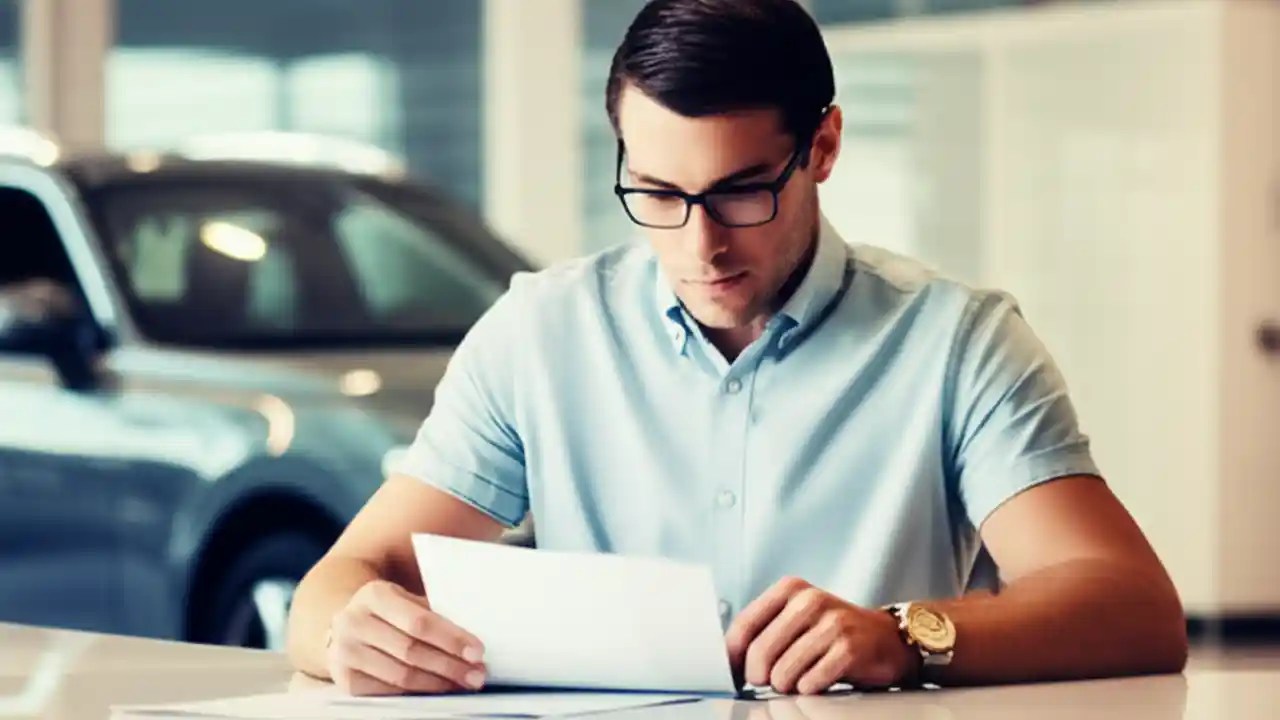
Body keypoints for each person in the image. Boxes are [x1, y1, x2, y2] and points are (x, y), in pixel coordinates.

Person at [286, 0, 1187, 697]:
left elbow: (1131, 606)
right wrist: (349, 635)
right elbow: (342, 583)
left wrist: (906, 636)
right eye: (658, 194)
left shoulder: (958, 343)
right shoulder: (540, 333)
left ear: (823, 146)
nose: (699, 245)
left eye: (741, 193)